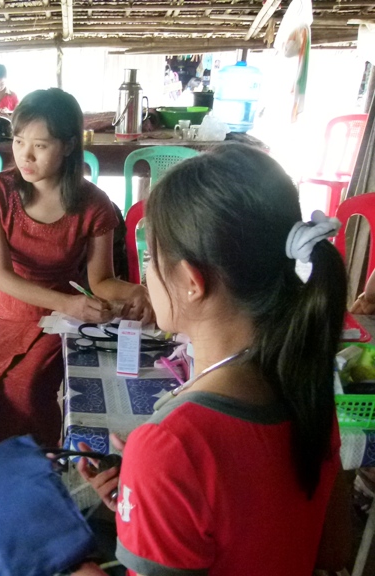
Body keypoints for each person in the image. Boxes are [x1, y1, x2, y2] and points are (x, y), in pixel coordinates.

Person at [74, 144, 351, 575]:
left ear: (190, 281)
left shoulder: (172, 444)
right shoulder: (306, 389)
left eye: (150, 257)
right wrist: (151, 498)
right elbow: (331, 552)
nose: (144, 273)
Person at [0, 88, 154, 457]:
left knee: (23, 388)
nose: (25, 155)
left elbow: (100, 281)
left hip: (56, 323)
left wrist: (137, 293)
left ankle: (36, 469)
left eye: (40, 145)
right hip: (6, 312)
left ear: (67, 146)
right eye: (18, 141)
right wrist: (71, 303)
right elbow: (2, 276)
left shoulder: (93, 205)